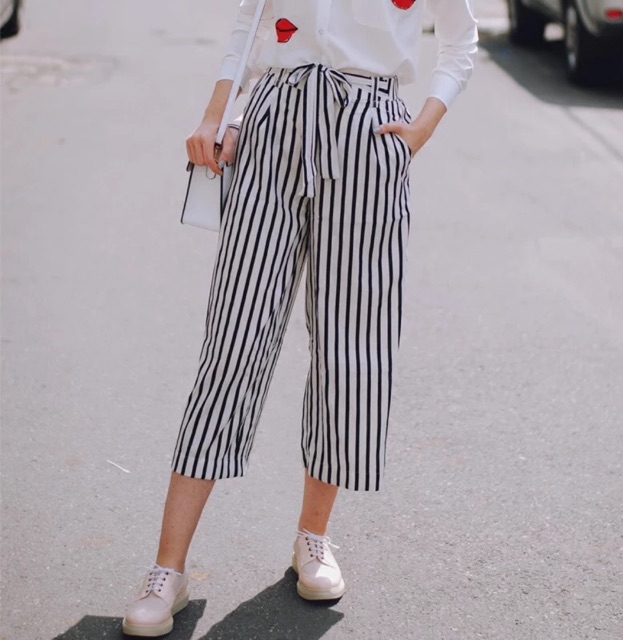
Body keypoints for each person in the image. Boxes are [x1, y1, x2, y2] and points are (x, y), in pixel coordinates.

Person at [122, 0, 477, 636]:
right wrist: (218, 114)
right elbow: (252, 23)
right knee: (233, 341)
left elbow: (461, 41)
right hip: (273, 124)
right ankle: (166, 569)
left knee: (352, 348)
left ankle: (313, 537)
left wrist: (423, 125)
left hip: (370, 132)